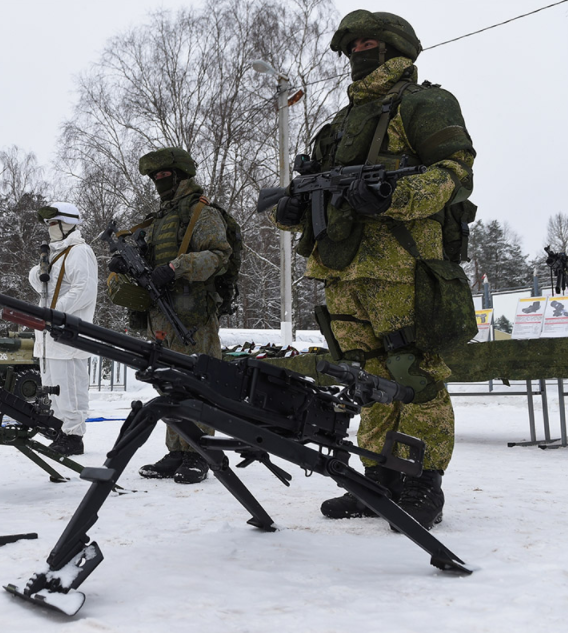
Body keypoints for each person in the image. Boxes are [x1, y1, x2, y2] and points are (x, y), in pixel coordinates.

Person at [272, 10, 475, 528]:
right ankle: (377, 477)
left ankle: (421, 479)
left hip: (403, 267)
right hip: (341, 270)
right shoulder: (340, 125)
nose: (357, 53)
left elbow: (455, 174)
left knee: (413, 373)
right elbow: (309, 192)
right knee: (366, 378)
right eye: (352, 46)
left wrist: (392, 195)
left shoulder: (424, 103)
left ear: (393, 47)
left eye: (368, 44)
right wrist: (289, 211)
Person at [115, 147, 232, 484]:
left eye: (163, 175)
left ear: (180, 174)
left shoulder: (202, 213)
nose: (158, 181)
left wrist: (176, 267)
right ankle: (178, 451)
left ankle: (200, 453)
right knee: (169, 385)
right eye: (153, 177)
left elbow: (219, 256)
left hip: (193, 316)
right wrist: (126, 263)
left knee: (198, 384)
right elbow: (147, 260)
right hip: (162, 315)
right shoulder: (160, 219)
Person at [29, 202, 98, 456]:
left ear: (67, 223)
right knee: (54, 388)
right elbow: (43, 288)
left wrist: (55, 312)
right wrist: (38, 270)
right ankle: (60, 429)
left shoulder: (79, 252)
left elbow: (84, 289)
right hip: (49, 335)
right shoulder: (56, 253)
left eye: (53, 223)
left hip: (67, 333)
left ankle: (74, 435)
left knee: (70, 387)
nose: (50, 228)